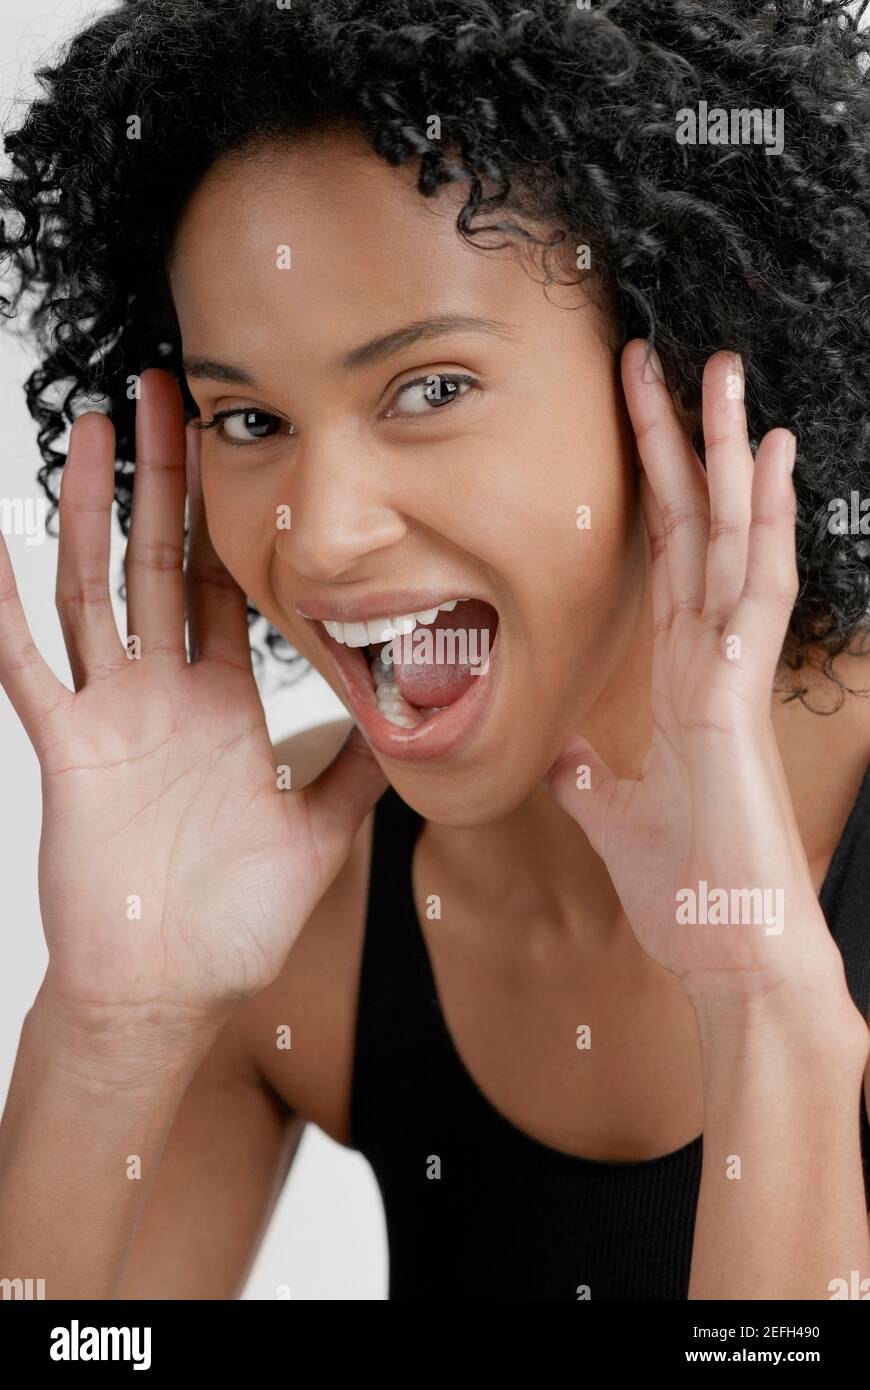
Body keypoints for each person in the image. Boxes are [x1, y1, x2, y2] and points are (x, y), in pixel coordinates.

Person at [0, 0, 869, 1301]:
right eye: (249, 418)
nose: (324, 535)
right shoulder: (293, 906)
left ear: (680, 364)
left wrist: (769, 1021)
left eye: (430, 388)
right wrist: (111, 1029)